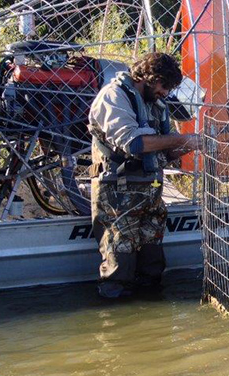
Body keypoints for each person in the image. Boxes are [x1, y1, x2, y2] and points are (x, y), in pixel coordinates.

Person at [88, 52, 201, 298]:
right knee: (120, 264)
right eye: (164, 86)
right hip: (118, 193)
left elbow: (165, 151)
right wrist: (183, 137)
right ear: (149, 77)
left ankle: (151, 322)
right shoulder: (113, 96)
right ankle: (116, 325)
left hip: (150, 191)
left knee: (152, 265)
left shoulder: (156, 104)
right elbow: (134, 144)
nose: (165, 92)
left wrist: (193, 144)